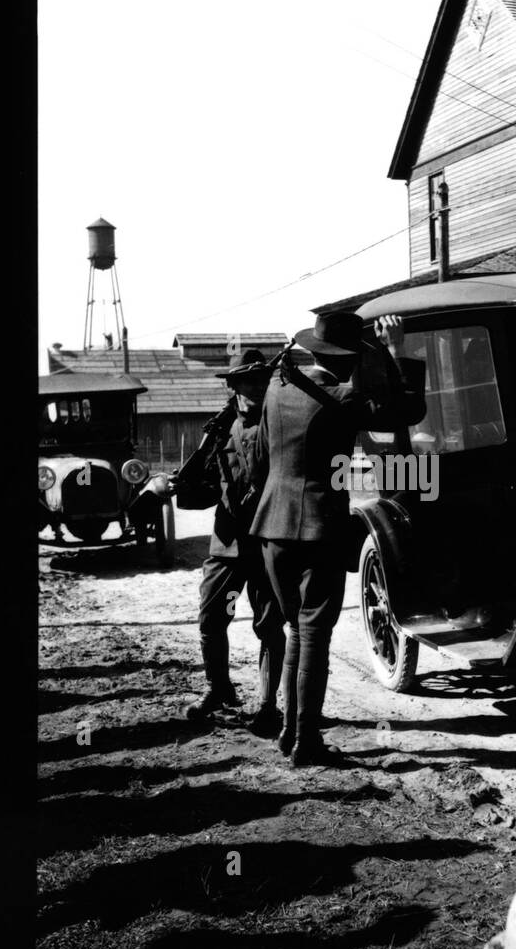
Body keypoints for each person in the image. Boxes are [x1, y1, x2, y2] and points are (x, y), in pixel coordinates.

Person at [251, 312, 426, 767]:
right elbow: (407, 412)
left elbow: (261, 457)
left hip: (271, 527)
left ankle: (291, 731)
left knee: (296, 631)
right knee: (314, 636)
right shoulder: (344, 395)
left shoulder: (277, 388)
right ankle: (307, 740)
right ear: (350, 359)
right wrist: (396, 351)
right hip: (318, 530)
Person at [178, 348, 286, 732]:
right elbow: (201, 487)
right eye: (247, 380)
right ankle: (219, 689)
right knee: (212, 616)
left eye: (262, 379)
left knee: (269, 626)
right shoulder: (219, 430)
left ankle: (268, 705)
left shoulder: (281, 424)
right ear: (234, 385)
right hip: (226, 544)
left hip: (265, 542)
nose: (256, 387)